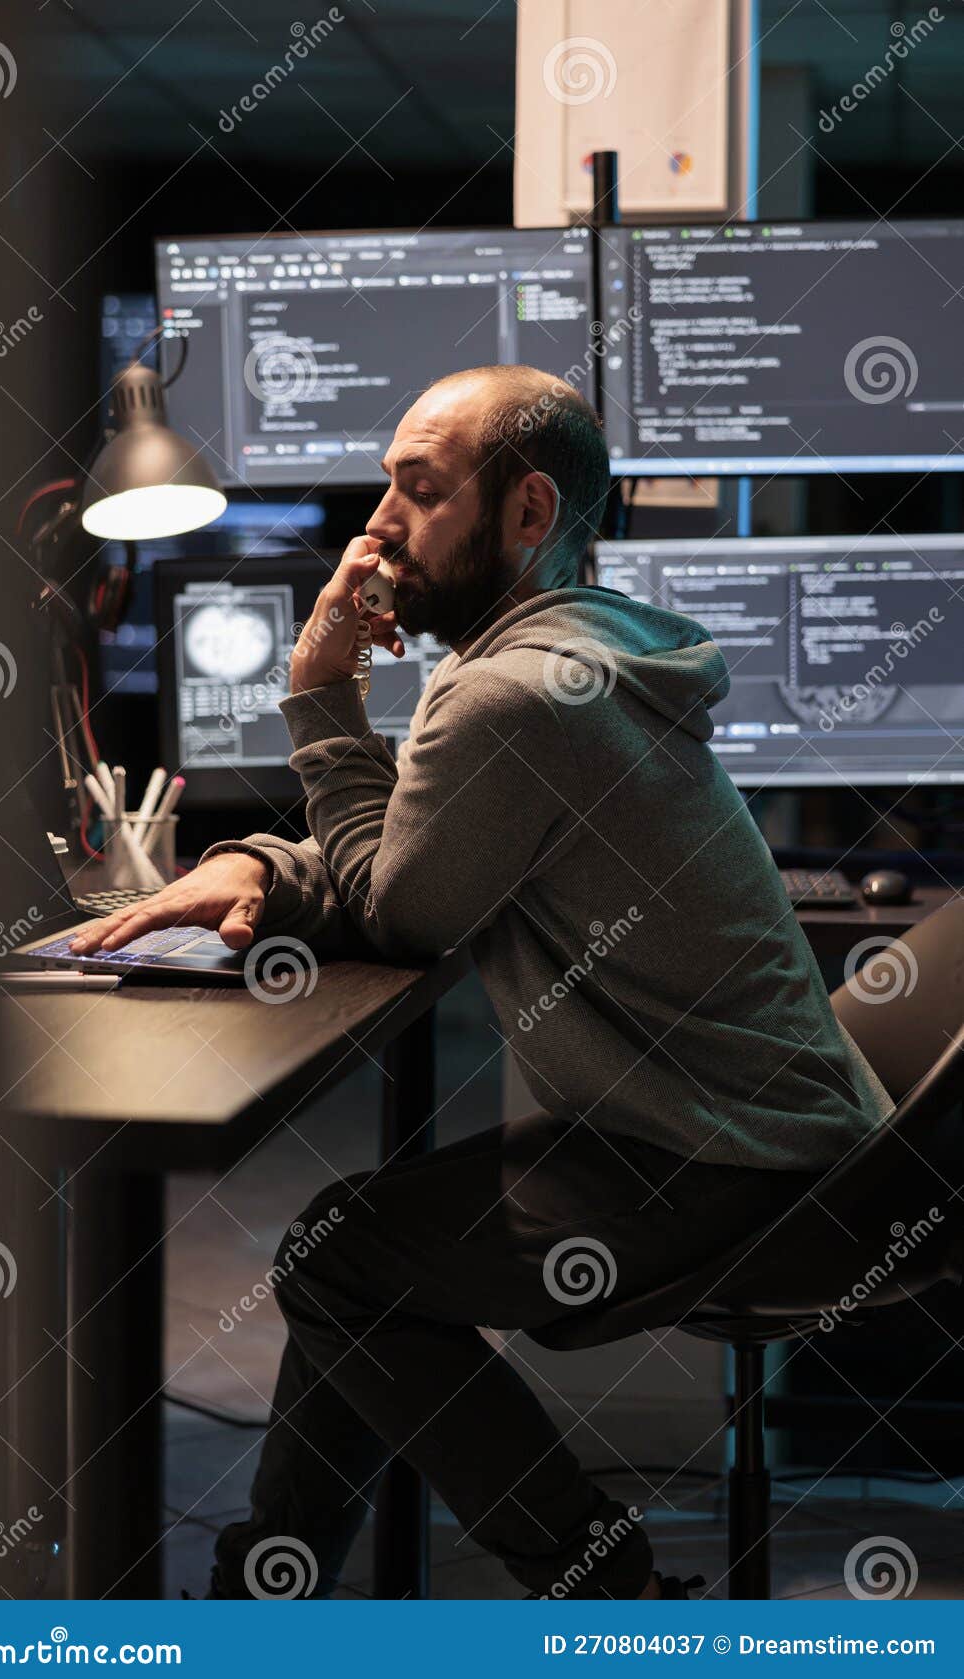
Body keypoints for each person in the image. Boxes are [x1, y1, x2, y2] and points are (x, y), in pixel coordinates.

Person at [70, 366, 891, 1599]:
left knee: (341, 1259)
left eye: (418, 490)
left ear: (525, 512)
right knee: (356, 1248)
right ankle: (264, 1602)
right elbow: (424, 852)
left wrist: (318, 688)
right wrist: (257, 861)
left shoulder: (509, 696)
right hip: (767, 1134)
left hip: (731, 1164)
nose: (378, 528)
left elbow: (404, 911)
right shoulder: (582, 654)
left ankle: (603, 1594)